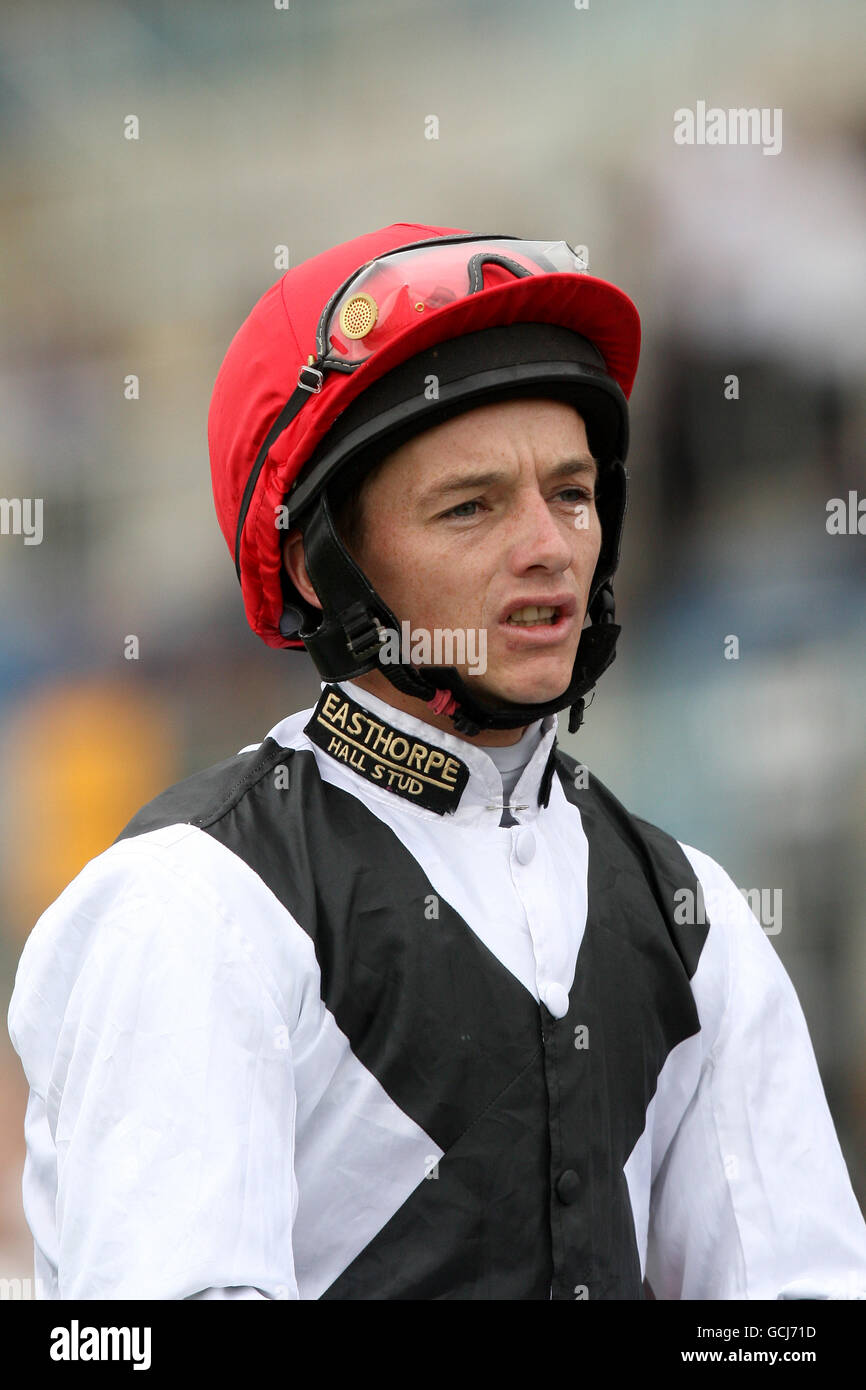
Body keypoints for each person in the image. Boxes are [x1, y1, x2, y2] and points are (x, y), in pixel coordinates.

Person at [8, 223, 866, 1300]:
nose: (547, 546)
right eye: (470, 507)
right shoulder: (191, 903)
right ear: (322, 569)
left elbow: (791, 1315)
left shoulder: (695, 914)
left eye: (568, 491)